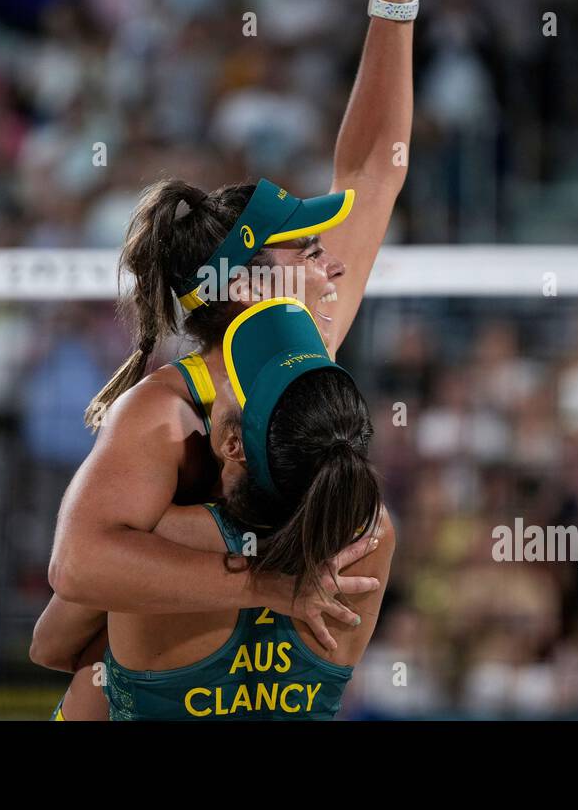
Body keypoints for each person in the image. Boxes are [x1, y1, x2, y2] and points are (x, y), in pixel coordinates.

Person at [31, 0, 417, 707]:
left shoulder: (307, 325)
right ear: (247, 286)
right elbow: (75, 567)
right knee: (85, 667)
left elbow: (376, 169)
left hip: (214, 659)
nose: (330, 261)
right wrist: (261, 586)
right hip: (209, 654)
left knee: (86, 663)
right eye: (305, 249)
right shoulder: (164, 414)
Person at [37, 299, 394, 718]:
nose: (217, 379)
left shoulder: (161, 536)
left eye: (230, 380)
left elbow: (49, 647)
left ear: (232, 444)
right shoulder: (373, 537)